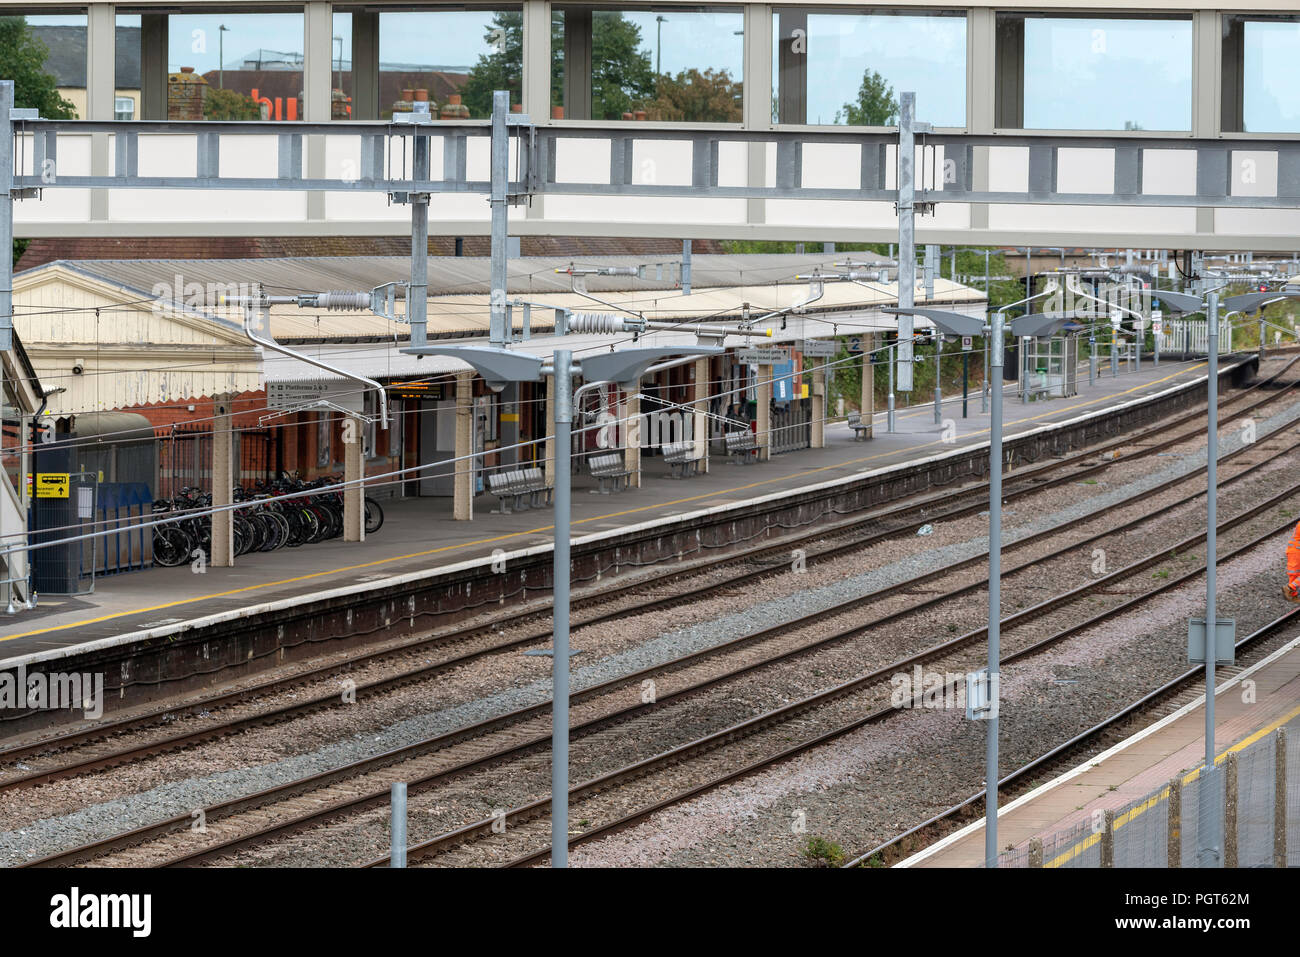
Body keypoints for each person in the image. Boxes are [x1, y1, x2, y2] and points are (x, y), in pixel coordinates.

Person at [1287, 519, 1300, 602]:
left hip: (1293, 550)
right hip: (1297, 551)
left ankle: (1292, 595)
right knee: (1295, 573)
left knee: (1294, 574)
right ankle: (1290, 588)